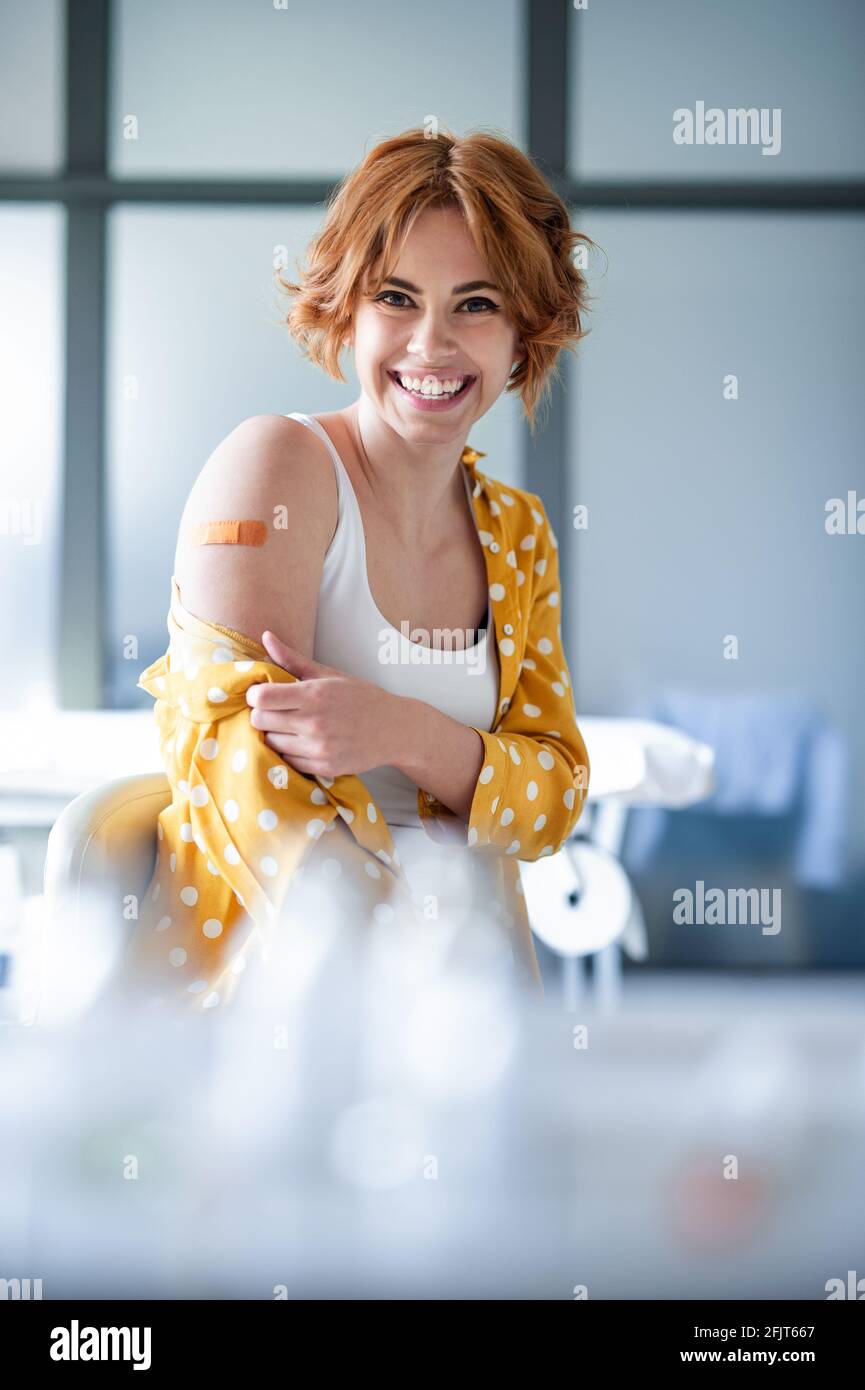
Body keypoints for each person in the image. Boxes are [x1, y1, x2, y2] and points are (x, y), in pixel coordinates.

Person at [120, 126, 593, 1012]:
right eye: (396, 297)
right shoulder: (275, 467)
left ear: (525, 333)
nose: (432, 344)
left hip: (464, 994)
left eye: (476, 304)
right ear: (345, 312)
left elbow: (553, 798)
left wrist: (399, 731)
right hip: (279, 990)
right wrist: (412, 978)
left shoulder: (519, 531)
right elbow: (238, 769)